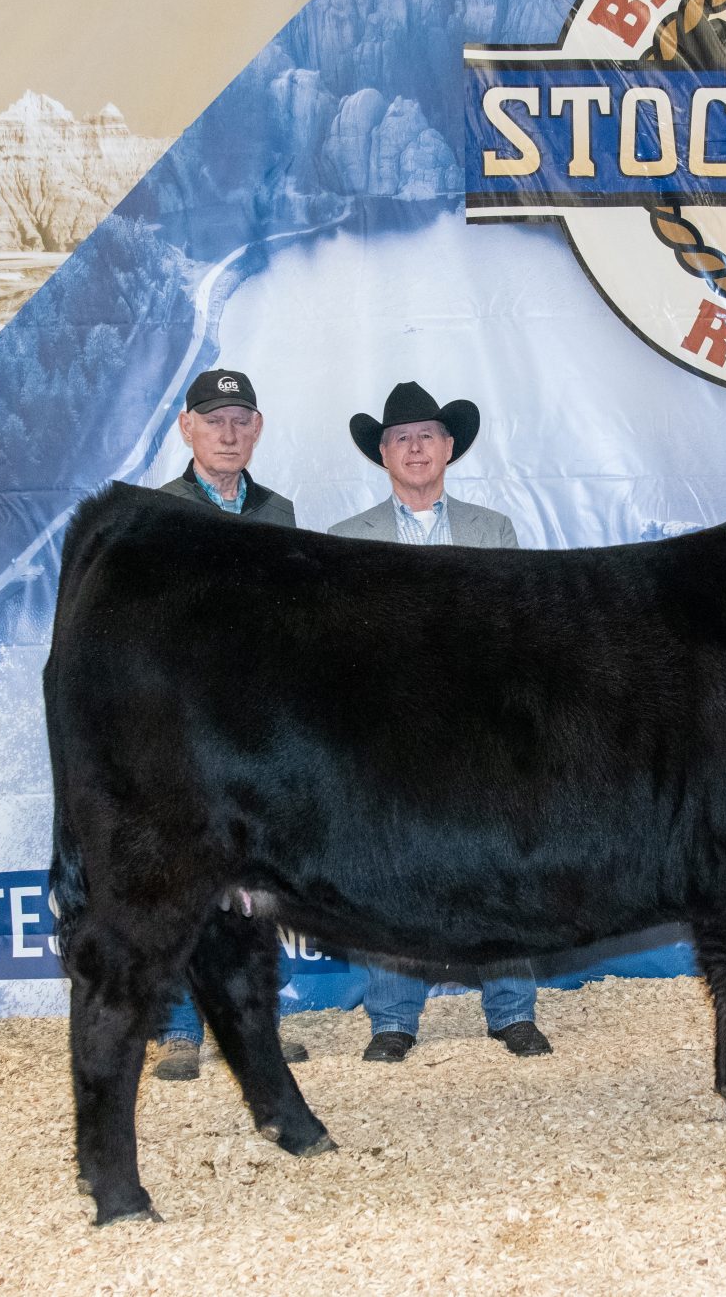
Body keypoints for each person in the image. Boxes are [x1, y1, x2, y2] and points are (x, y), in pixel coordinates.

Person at [327, 381, 554, 1063]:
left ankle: (512, 1010)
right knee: (389, 872)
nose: (416, 445)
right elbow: (340, 653)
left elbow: (518, 637)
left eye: (428, 434)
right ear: (384, 453)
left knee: (499, 865)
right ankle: (393, 1019)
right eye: (401, 437)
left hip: (481, 731)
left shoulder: (495, 531)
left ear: (449, 447)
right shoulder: (345, 542)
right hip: (389, 741)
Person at [150, 367, 309, 1079]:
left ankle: (256, 1021)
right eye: (214, 419)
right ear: (186, 428)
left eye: (241, 418)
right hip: (183, 726)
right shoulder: (154, 514)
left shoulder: (280, 513)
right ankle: (183, 1026)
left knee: (257, 872)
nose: (228, 431)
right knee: (186, 873)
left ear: (258, 428)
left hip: (256, 726)